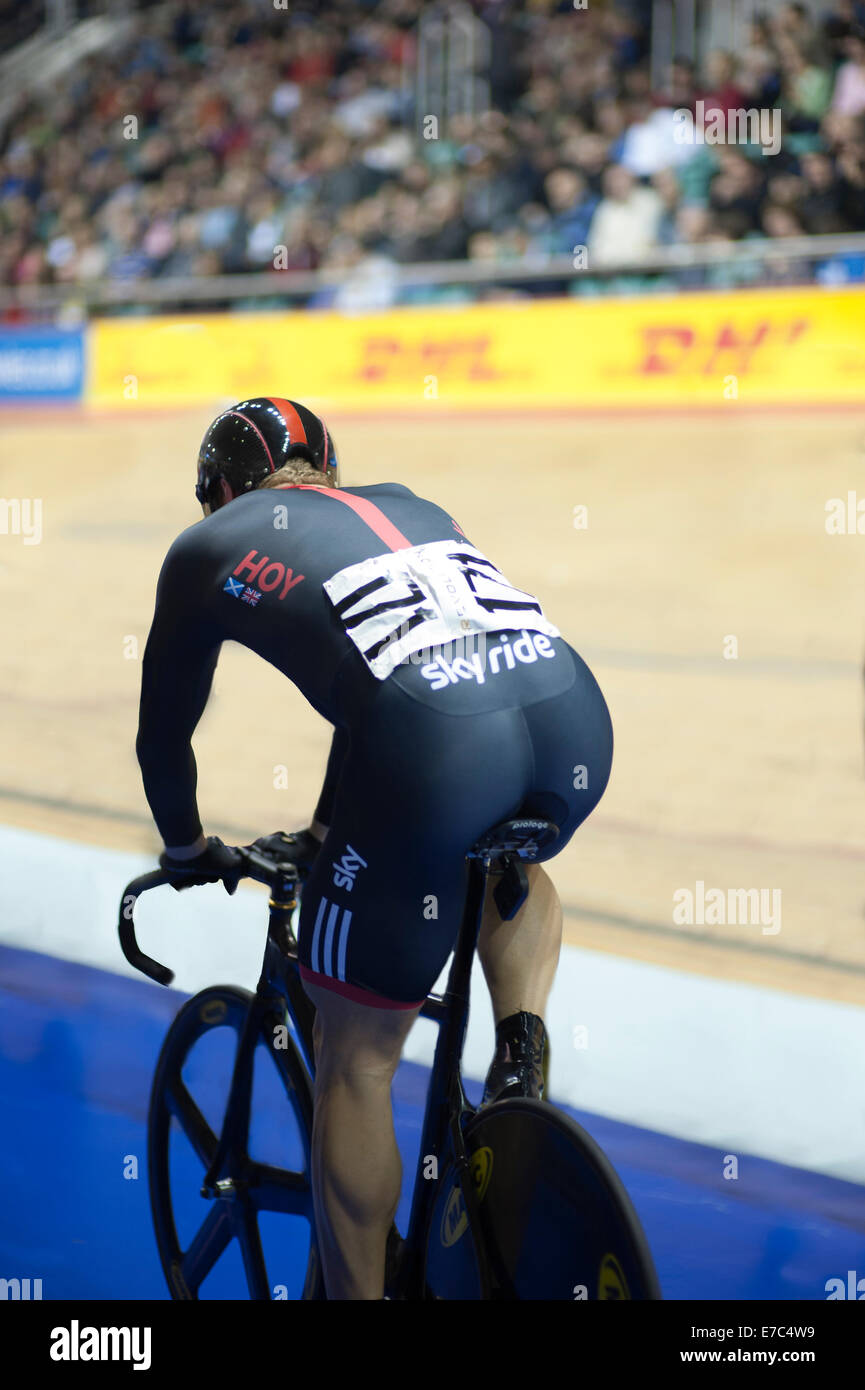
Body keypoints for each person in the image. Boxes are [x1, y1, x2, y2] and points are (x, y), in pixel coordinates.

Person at [136, 396, 614, 1300]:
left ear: (221, 491)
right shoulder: (412, 505)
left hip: (434, 749)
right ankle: (520, 1056)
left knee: (356, 1054)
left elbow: (164, 738)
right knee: (508, 851)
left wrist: (187, 848)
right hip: (576, 726)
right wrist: (325, 834)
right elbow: (389, 680)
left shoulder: (207, 547)